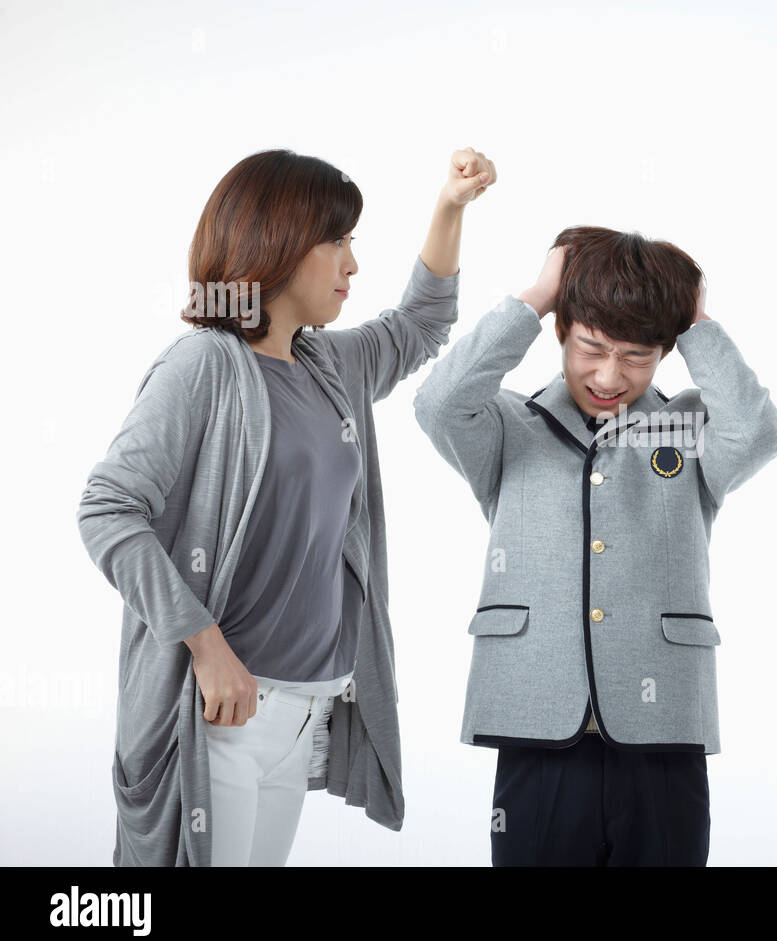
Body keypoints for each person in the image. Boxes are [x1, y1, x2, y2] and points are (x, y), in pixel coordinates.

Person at [77, 146, 496, 866]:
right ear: (275, 246)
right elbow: (107, 510)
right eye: (336, 242)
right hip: (219, 714)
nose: (352, 264)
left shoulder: (329, 363)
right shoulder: (203, 364)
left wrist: (449, 207)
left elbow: (423, 322)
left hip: (305, 712)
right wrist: (206, 646)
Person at [414, 226, 777, 865]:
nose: (610, 376)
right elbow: (439, 403)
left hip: (662, 727)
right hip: (537, 722)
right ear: (562, 330)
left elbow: (757, 433)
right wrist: (537, 297)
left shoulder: (691, 425)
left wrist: (696, 324)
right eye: (591, 347)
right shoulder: (506, 424)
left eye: (637, 356)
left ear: (666, 351)